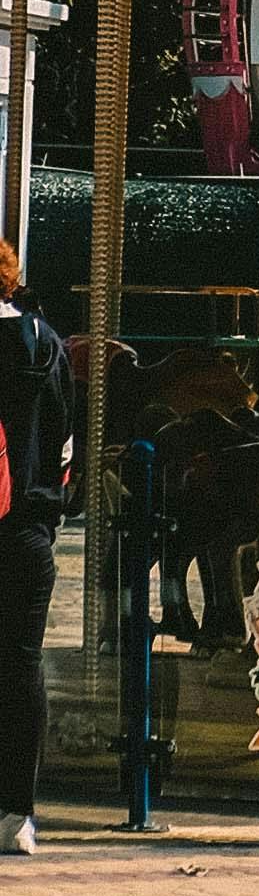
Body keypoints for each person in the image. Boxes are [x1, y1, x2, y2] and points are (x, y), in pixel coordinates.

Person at [0, 238, 74, 850]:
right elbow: (62, 441)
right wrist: (46, 516)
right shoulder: (46, 344)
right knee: (21, 663)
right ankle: (16, 813)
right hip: (26, 529)